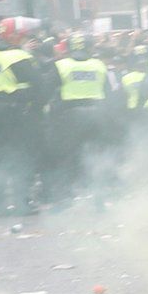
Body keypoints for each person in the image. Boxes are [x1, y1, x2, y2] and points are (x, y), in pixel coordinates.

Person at [0, 23, 45, 216]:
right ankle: (22, 202)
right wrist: (35, 109)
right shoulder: (18, 57)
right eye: (20, 35)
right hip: (16, 113)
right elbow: (40, 86)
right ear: (13, 37)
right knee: (20, 157)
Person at [52, 34, 111, 205]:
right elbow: (108, 91)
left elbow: (49, 89)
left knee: (68, 157)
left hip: (70, 116)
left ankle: (65, 198)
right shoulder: (99, 65)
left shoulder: (61, 65)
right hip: (96, 115)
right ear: (89, 48)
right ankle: (99, 198)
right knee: (96, 155)